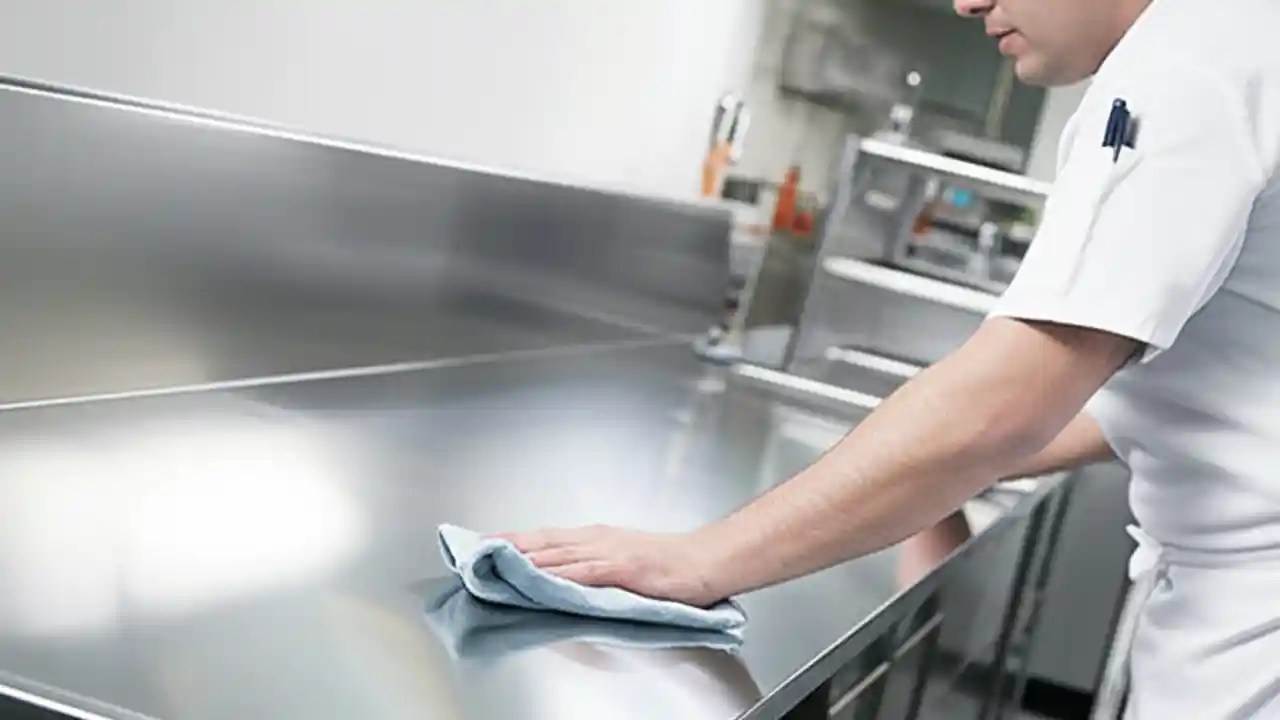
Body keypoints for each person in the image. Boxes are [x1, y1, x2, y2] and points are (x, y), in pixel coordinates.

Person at [503, 0, 1280, 715]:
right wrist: (935, 461)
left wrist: (700, 563)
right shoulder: (1237, 37)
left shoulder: (1185, 66)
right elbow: (1225, 388)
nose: (967, 1)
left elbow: (1005, 402)